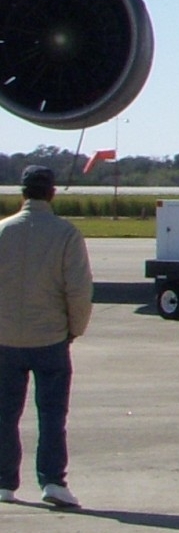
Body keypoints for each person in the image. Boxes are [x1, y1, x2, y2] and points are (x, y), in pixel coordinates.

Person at [0, 166, 92, 509]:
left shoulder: (3, 231)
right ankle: (52, 481)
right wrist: (74, 329)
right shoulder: (66, 234)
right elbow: (79, 291)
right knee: (52, 415)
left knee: (5, 414)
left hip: (6, 338)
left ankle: (4, 482)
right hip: (50, 338)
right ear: (51, 193)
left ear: (22, 193)